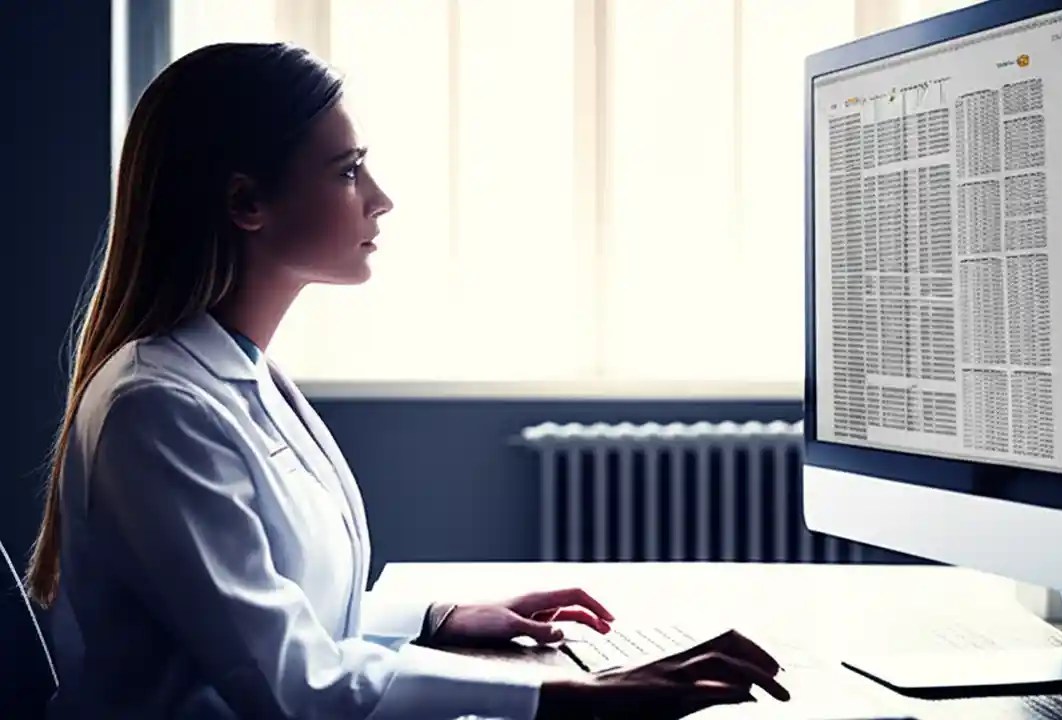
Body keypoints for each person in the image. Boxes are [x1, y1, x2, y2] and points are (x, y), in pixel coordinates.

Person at [24, 43, 788, 719]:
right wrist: (564, 700)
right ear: (245, 203)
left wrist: (442, 617)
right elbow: (293, 684)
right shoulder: (157, 407)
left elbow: (291, 614)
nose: (379, 197)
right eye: (347, 170)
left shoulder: (240, 373)